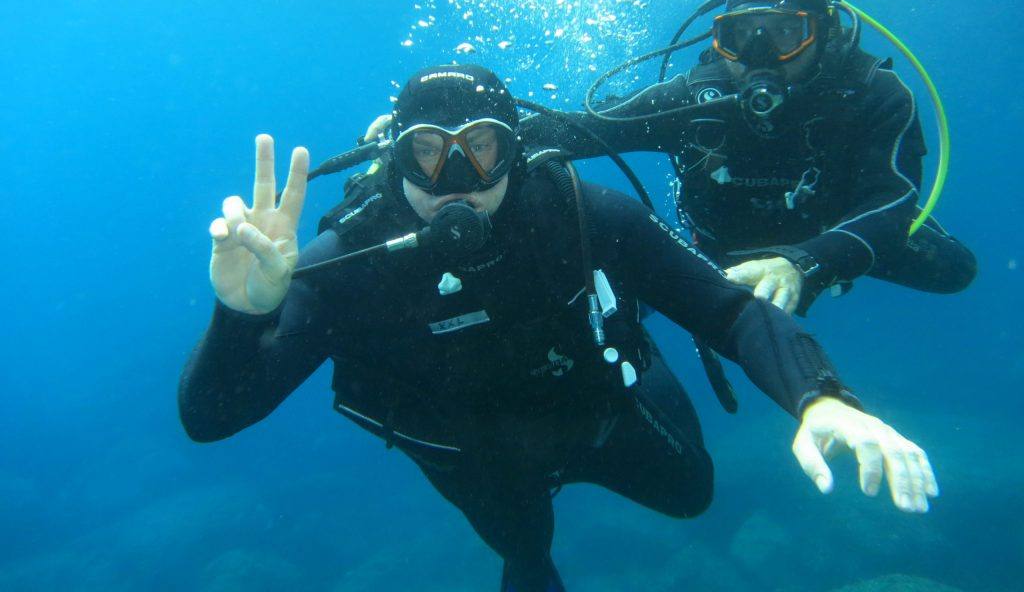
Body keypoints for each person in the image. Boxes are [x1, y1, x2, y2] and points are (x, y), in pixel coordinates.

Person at [179, 65, 938, 592]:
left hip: (599, 411)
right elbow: (213, 418)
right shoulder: (348, 261)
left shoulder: (580, 212)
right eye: (428, 154)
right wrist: (242, 317)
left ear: (517, 148)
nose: (458, 184)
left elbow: (729, 308)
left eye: (481, 148)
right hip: (472, 456)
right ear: (395, 160)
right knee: (524, 551)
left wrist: (822, 396)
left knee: (694, 495)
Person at [512, 0, 977, 315]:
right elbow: (583, 130)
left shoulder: (871, 95)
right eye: (739, 36)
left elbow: (893, 201)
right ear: (719, 39)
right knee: (599, 307)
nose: (759, 55)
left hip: (831, 239)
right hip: (719, 250)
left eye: (784, 33)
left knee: (954, 269)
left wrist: (809, 264)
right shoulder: (698, 98)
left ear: (824, 32)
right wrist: (480, 136)